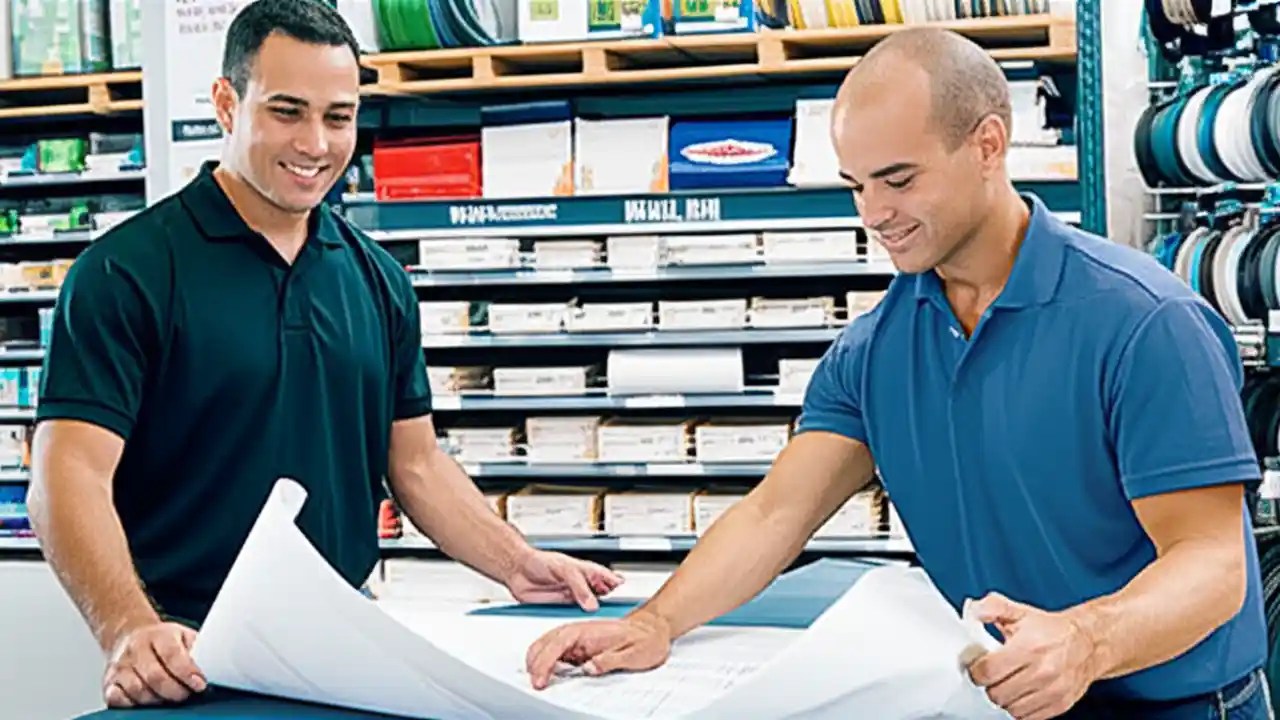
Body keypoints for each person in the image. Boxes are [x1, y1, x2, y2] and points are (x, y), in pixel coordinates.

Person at [524, 27, 1273, 720]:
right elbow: (774, 514)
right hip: (1002, 701)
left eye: (899, 179)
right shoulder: (875, 349)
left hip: (1177, 706)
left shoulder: (1142, 324)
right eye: (856, 184)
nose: (873, 212)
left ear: (988, 145)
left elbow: (1210, 564)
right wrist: (654, 621)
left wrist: (1085, 641)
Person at [26, 0, 620, 710]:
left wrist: (516, 563)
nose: (316, 142)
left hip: (345, 640)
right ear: (226, 102)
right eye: (287, 111)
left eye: (338, 117)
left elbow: (418, 465)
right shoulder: (127, 273)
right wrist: (128, 626)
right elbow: (68, 480)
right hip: (187, 653)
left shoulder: (376, 278)